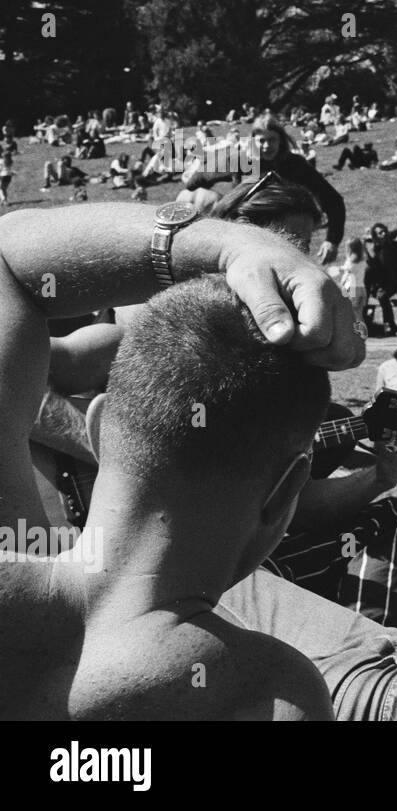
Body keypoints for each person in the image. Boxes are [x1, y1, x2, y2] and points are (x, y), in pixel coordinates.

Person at [0, 202, 365, 719]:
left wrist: (234, 247)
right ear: (287, 490)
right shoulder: (263, 691)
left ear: (99, 429)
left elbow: (7, 257)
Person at [182, 111, 346, 264]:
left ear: (280, 140)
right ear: (253, 141)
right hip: (246, 239)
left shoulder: (295, 165)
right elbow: (202, 177)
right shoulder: (242, 160)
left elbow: (333, 200)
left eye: (272, 140)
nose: (267, 146)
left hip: (286, 241)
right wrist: (194, 184)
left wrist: (332, 240)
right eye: (262, 141)